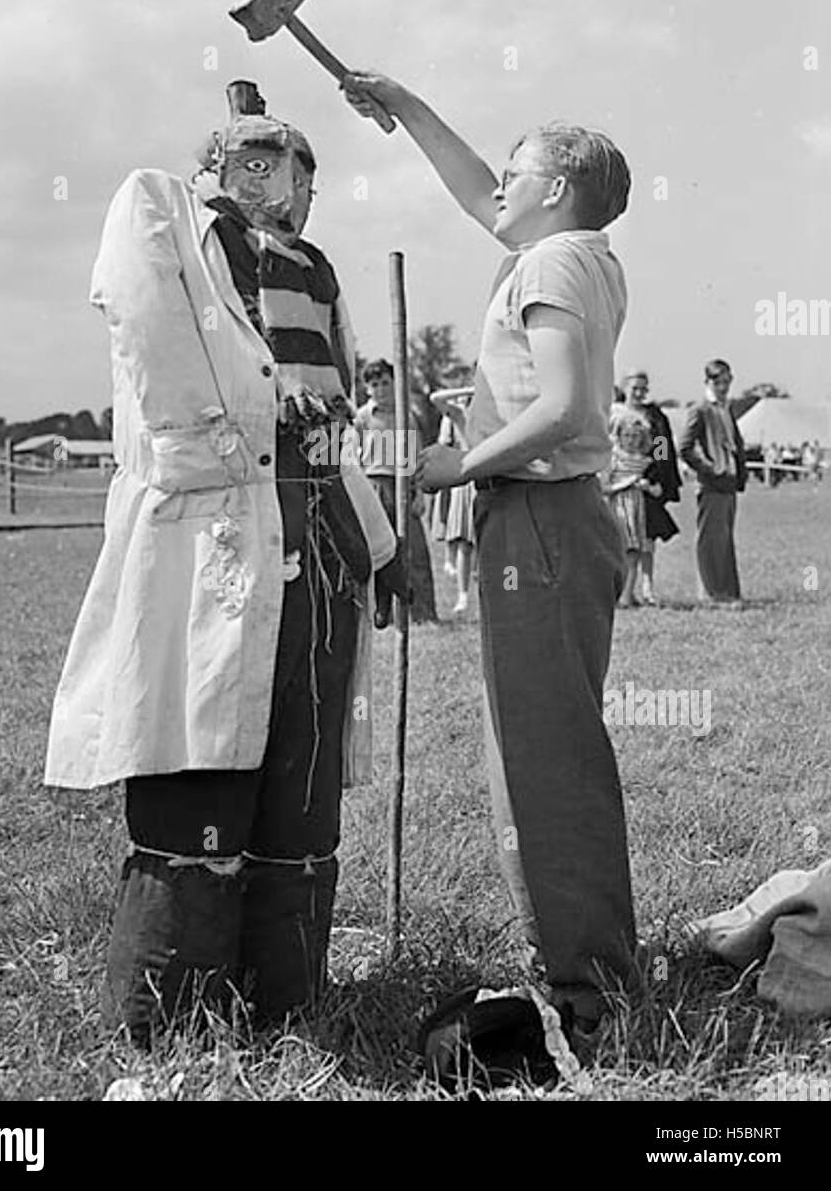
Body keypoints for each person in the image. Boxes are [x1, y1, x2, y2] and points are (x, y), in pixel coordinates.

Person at [44, 81, 399, 1047]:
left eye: (296, 170)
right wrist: (264, 417)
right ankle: (173, 1026)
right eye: (265, 164)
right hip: (217, 543)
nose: (287, 187)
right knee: (202, 773)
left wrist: (379, 541)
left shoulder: (317, 271)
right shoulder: (174, 234)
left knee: (302, 777)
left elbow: (334, 430)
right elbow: (185, 385)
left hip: (321, 549)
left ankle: (283, 1002)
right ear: (223, 168)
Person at [343, 72, 636, 1038]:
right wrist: (405, 105)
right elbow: (476, 190)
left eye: (518, 173)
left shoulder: (550, 267)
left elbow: (566, 411)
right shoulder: (572, 251)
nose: (497, 187)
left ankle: (593, 994)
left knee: (545, 761)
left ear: (556, 190)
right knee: (540, 750)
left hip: (541, 516)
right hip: (555, 519)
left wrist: (455, 464)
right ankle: (579, 961)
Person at [354, 358, 438, 623]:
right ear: (367, 389)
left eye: (385, 383)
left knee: (414, 551)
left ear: (395, 384)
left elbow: (416, 456)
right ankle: (381, 612)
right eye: (374, 384)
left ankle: (423, 612)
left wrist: (419, 494)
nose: (380, 389)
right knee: (378, 551)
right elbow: (352, 457)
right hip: (373, 485)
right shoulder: (362, 417)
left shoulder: (407, 416)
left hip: (402, 485)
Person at [678, 359, 747, 607]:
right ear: (708, 382)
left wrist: (738, 473)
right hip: (712, 484)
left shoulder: (727, 409)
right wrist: (709, 469)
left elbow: (736, 444)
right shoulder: (700, 410)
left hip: (729, 483)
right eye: (718, 382)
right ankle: (712, 593)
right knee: (711, 540)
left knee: (725, 539)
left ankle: (727, 591)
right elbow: (683, 447)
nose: (723, 386)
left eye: (727, 381)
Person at [613, 371, 680, 604]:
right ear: (625, 389)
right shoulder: (614, 412)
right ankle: (623, 591)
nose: (640, 393)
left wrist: (658, 475)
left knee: (648, 538)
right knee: (624, 540)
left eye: (644, 388)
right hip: (619, 480)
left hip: (646, 480)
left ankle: (647, 586)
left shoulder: (655, 417)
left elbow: (662, 448)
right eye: (635, 388)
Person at [602, 407, 662, 607]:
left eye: (636, 436)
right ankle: (617, 594)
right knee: (621, 551)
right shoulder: (613, 458)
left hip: (638, 509)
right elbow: (604, 486)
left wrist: (651, 487)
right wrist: (628, 483)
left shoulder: (646, 460)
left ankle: (631, 593)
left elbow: (658, 485)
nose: (631, 440)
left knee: (636, 551)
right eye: (627, 435)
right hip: (619, 508)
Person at [430, 385, 476, 615]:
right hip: (468, 480)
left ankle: (510, 587)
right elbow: (436, 398)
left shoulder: (501, 411)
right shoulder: (461, 412)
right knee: (464, 545)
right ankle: (463, 596)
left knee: (502, 548)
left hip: (498, 479)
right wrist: (472, 388)